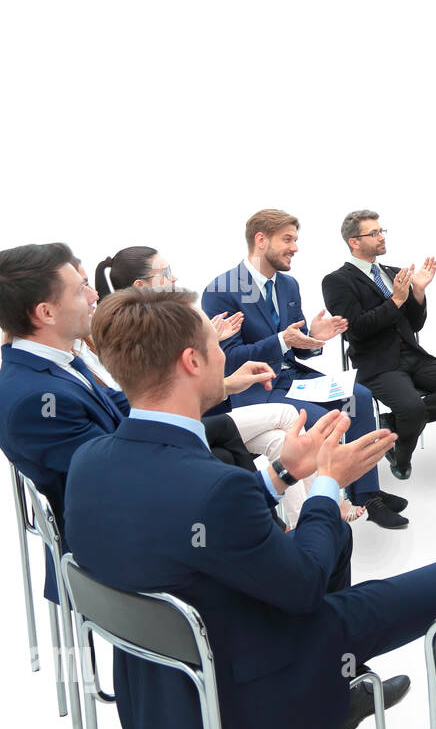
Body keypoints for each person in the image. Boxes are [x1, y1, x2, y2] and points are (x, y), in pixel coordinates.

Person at [64, 287, 436, 729]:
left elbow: (181, 522)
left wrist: (282, 474)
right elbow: (302, 587)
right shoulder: (215, 489)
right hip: (248, 690)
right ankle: (333, 686)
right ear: (192, 361)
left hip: (165, 679)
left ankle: (339, 679)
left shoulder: (89, 461)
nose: (222, 353)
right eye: (216, 344)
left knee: (328, 535)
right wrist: (325, 486)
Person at [0, 243, 294, 607]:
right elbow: (125, 476)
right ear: (44, 312)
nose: (94, 294)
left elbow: (124, 408)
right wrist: (275, 477)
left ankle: (267, 531)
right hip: (121, 538)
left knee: (226, 441)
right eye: (80, 289)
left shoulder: (59, 363)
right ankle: (269, 536)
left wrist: (220, 385)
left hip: (134, 492)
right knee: (235, 461)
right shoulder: (35, 398)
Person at [95, 244, 361, 525]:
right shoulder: (146, 332)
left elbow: (179, 378)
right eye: (166, 273)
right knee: (289, 416)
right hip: (192, 420)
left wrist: (215, 343)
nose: (174, 279)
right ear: (141, 285)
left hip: (205, 412)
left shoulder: (164, 321)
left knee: (281, 441)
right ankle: (329, 504)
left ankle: (302, 524)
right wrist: (223, 365)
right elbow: (174, 390)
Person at [201, 208, 409, 528]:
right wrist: (283, 341)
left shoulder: (288, 285)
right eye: (287, 240)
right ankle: (328, 501)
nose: (295, 247)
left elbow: (294, 343)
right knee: (319, 419)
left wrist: (314, 339)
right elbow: (230, 360)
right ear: (261, 240)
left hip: (292, 377)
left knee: (360, 396)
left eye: (295, 240)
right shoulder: (222, 290)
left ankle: (367, 493)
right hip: (257, 387)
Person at [321, 210, 436, 481]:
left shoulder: (393, 273)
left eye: (382, 231)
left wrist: (417, 293)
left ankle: (393, 423)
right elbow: (355, 330)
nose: (381, 237)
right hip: (377, 364)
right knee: (412, 408)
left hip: (413, 357)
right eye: (374, 233)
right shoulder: (337, 281)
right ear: (354, 242)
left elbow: (414, 325)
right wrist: (394, 301)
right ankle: (402, 456)